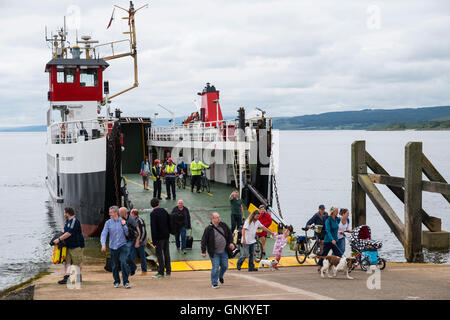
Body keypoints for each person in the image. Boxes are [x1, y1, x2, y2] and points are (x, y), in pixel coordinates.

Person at [201, 212, 235, 288]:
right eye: (217, 217)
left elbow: (230, 235)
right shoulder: (208, 229)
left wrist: (231, 243)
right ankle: (214, 283)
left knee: (225, 266)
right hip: (214, 252)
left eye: (219, 217)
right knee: (215, 267)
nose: (219, 218)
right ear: (212, 219)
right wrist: (203, 251)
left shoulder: (224, 226)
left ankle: (220, 275)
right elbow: (204, 240)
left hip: (224, 251)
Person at [100, 206, 131, 289]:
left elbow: (127, 234)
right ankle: (116, 281)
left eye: (111, 212)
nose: (109, 213)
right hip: (113, 247)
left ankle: (126, 282)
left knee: (124, 263)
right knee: (114, 265)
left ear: (116, 213)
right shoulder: (108, 223)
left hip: (123, 246)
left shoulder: (122, 221)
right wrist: (103, 244)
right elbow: (104, 234)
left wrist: (124, 225)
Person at [54, 207, 85, 285]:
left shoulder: (74, 221)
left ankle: (78, 277)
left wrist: (59, 239)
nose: (64, 214)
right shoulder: (67, 221)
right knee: (67, 262)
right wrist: (56, 237)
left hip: (77, 245)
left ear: (67, 213)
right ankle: (66, 277)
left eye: (64, 213)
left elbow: (69, 233)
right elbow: (64, 231)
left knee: (76, 262)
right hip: (68, 245)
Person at [150, 197, 171, 278]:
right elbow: (169, 222)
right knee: (166, 253)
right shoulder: (164, 211)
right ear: (158, 203)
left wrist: (154, 241)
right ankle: (168, 271)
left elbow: (153, 228)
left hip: (158, 238)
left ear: (151, 205)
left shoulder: (153, 214)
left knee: (159, 255)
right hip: (166, 236)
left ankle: (161, 272)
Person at [317, 206, 342, 272]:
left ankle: (338, 267)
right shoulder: (328, 220)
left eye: (338, 211)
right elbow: (328, 231)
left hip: (335, 240)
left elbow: (336, 228)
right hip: (328, 240)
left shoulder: (337, 219)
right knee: (324, 255)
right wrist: (332, 239)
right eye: (336, 211)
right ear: (333, 212)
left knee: (339, 254)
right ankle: (319, 267)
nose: (338, 212)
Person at [119, 207, 140, 276]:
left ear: (123, 213)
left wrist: (137, 241)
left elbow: (138, 230)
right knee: (126, 256)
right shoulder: (120, 219)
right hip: (124, 240)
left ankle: (127, 271)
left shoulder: (131, 219)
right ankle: (132, 268)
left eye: (120, 212)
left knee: (126, 255)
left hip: (130, 239)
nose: (119, 214)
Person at [130, 208, 148, 273]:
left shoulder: (140, 221)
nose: (130, 215)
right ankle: (132, 269)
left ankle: (144, 269)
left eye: (131, 214)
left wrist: (140, 241)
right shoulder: (131, 221)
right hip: (134, 240)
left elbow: (143, 232)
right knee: (132, 255)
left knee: (142, 256)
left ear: (134, 215)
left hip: (141, 241)